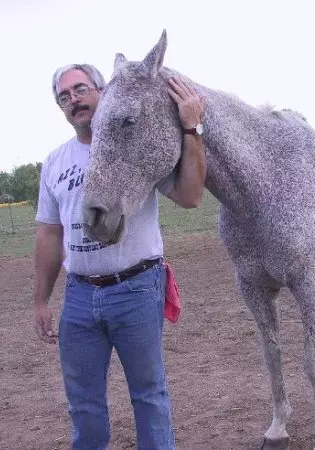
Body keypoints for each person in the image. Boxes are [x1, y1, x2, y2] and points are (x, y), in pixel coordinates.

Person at [33, 63, 206, 449]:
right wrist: (41, 299)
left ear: (102, 91)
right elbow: (48, 233)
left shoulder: (137, 142)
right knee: (83, 403)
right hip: (78, 295)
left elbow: (191, 196)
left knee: (149, 395)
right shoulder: (55, 162)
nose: (73, 100)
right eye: (64, 96)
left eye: (80, 89)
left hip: (137, 289)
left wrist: (192, 130)